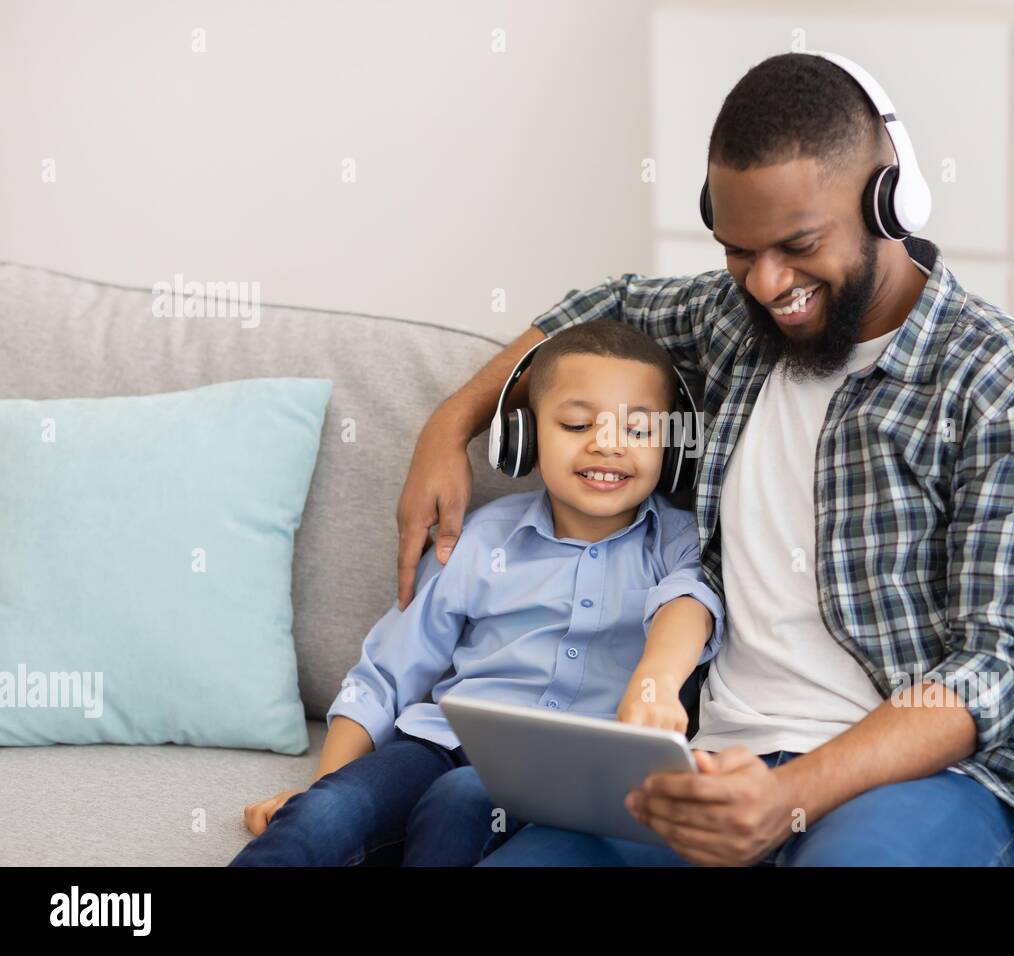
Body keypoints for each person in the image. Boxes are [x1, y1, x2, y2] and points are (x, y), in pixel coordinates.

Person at [391, 52, 1014, 867]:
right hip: (719, 757)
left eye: (798, 244)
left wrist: (789, 798)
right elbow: (601, 310)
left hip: (942, 780)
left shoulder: (1011, 393)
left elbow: (1000, 669)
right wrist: (448, 425)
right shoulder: (736, 325)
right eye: (738, 248)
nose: (769, 283)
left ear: (889, 200)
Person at [229, 319, 724, 866]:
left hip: (585, 779)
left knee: (460, 800)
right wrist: (319, 789)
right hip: (443, 747)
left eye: (638, 430)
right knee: (323, 816)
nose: (608, 445)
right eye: (578, 424)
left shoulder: (682, 544)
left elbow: (691, 603)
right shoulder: (479, 538)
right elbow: (384, 676)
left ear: (673, 449)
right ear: (526, 439)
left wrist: (657, 683)